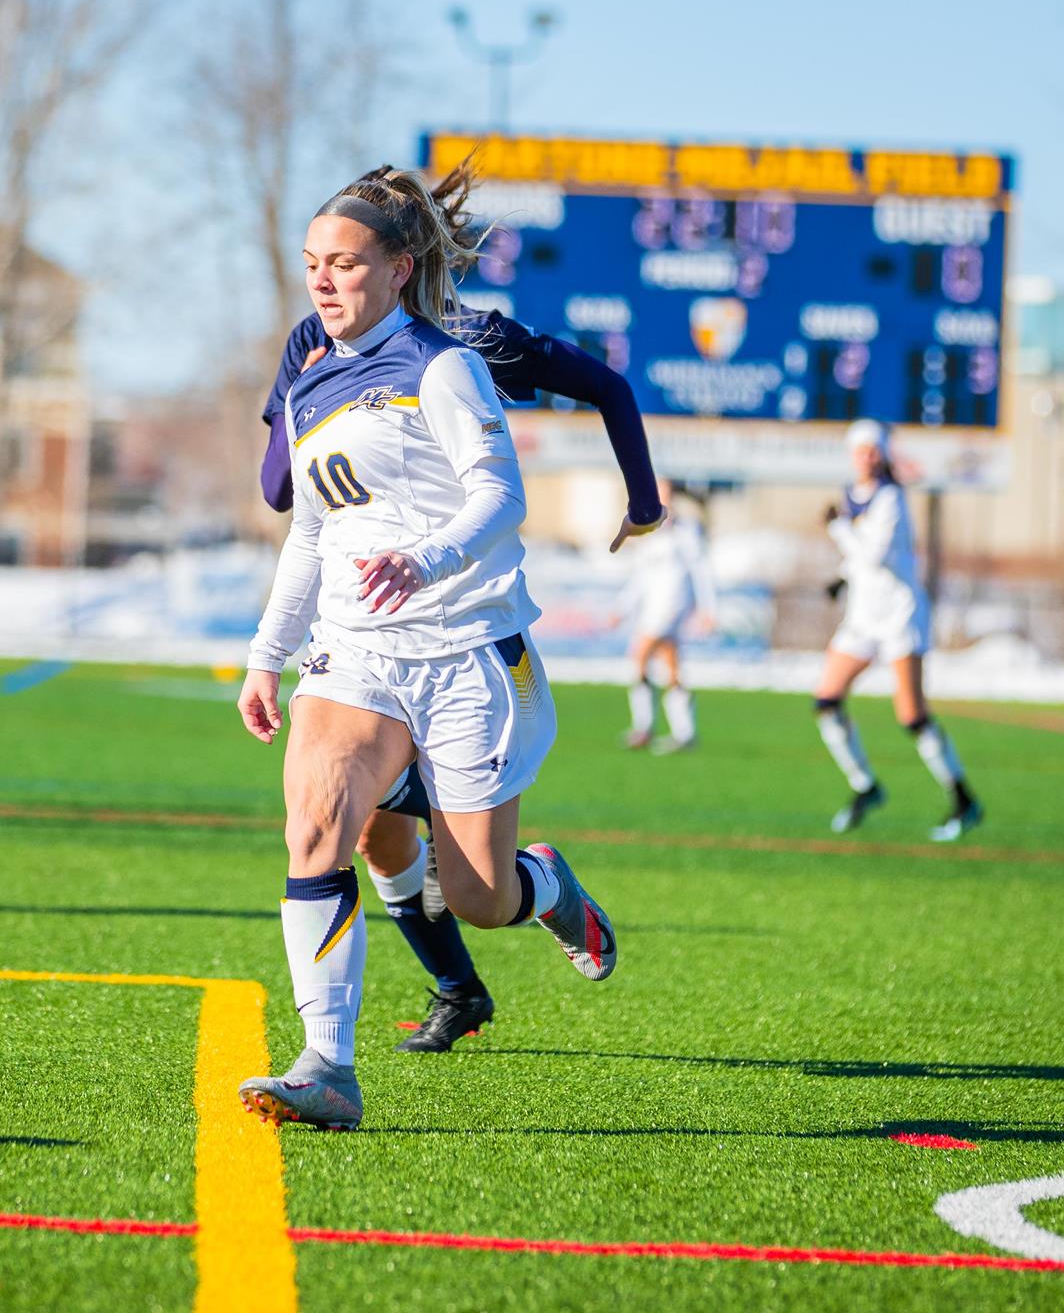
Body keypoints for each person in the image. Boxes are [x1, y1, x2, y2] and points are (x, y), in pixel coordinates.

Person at [234, 167, 622, 1131]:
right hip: (357, 651)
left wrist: (426, 559)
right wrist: (264, 656)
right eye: (314, 264)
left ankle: (550, 886)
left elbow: (502, 496)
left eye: (347, 263)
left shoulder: (443, 367)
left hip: (470, 652)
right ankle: (327, 1065)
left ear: (399, 270)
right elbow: (313, 535)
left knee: (482, 897)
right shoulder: (311, 378)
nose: (325, 281)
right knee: (316, 823)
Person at [813, 419, 982, 841]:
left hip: (899, 616)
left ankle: (964, 801)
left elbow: (872, 554)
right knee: (827, 703)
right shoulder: (852, 495)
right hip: (862, 617)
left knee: (911, 715)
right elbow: (860, 559)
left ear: (884, 454)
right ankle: (866, 786)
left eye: (874, 449)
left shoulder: (890, 497)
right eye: (861, 449)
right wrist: (841, 577)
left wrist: (837, 530)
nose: (867, 456)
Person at [621, 479, 716, 753]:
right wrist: (623, 607)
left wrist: (708, 609)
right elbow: (641, 577)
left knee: (639, 654)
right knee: (670, 664)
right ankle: (685, 732)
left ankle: (644, 727)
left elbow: (701, 571)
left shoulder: (686, 530)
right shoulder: (648, 531)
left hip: (673, 605)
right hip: (653, 606)